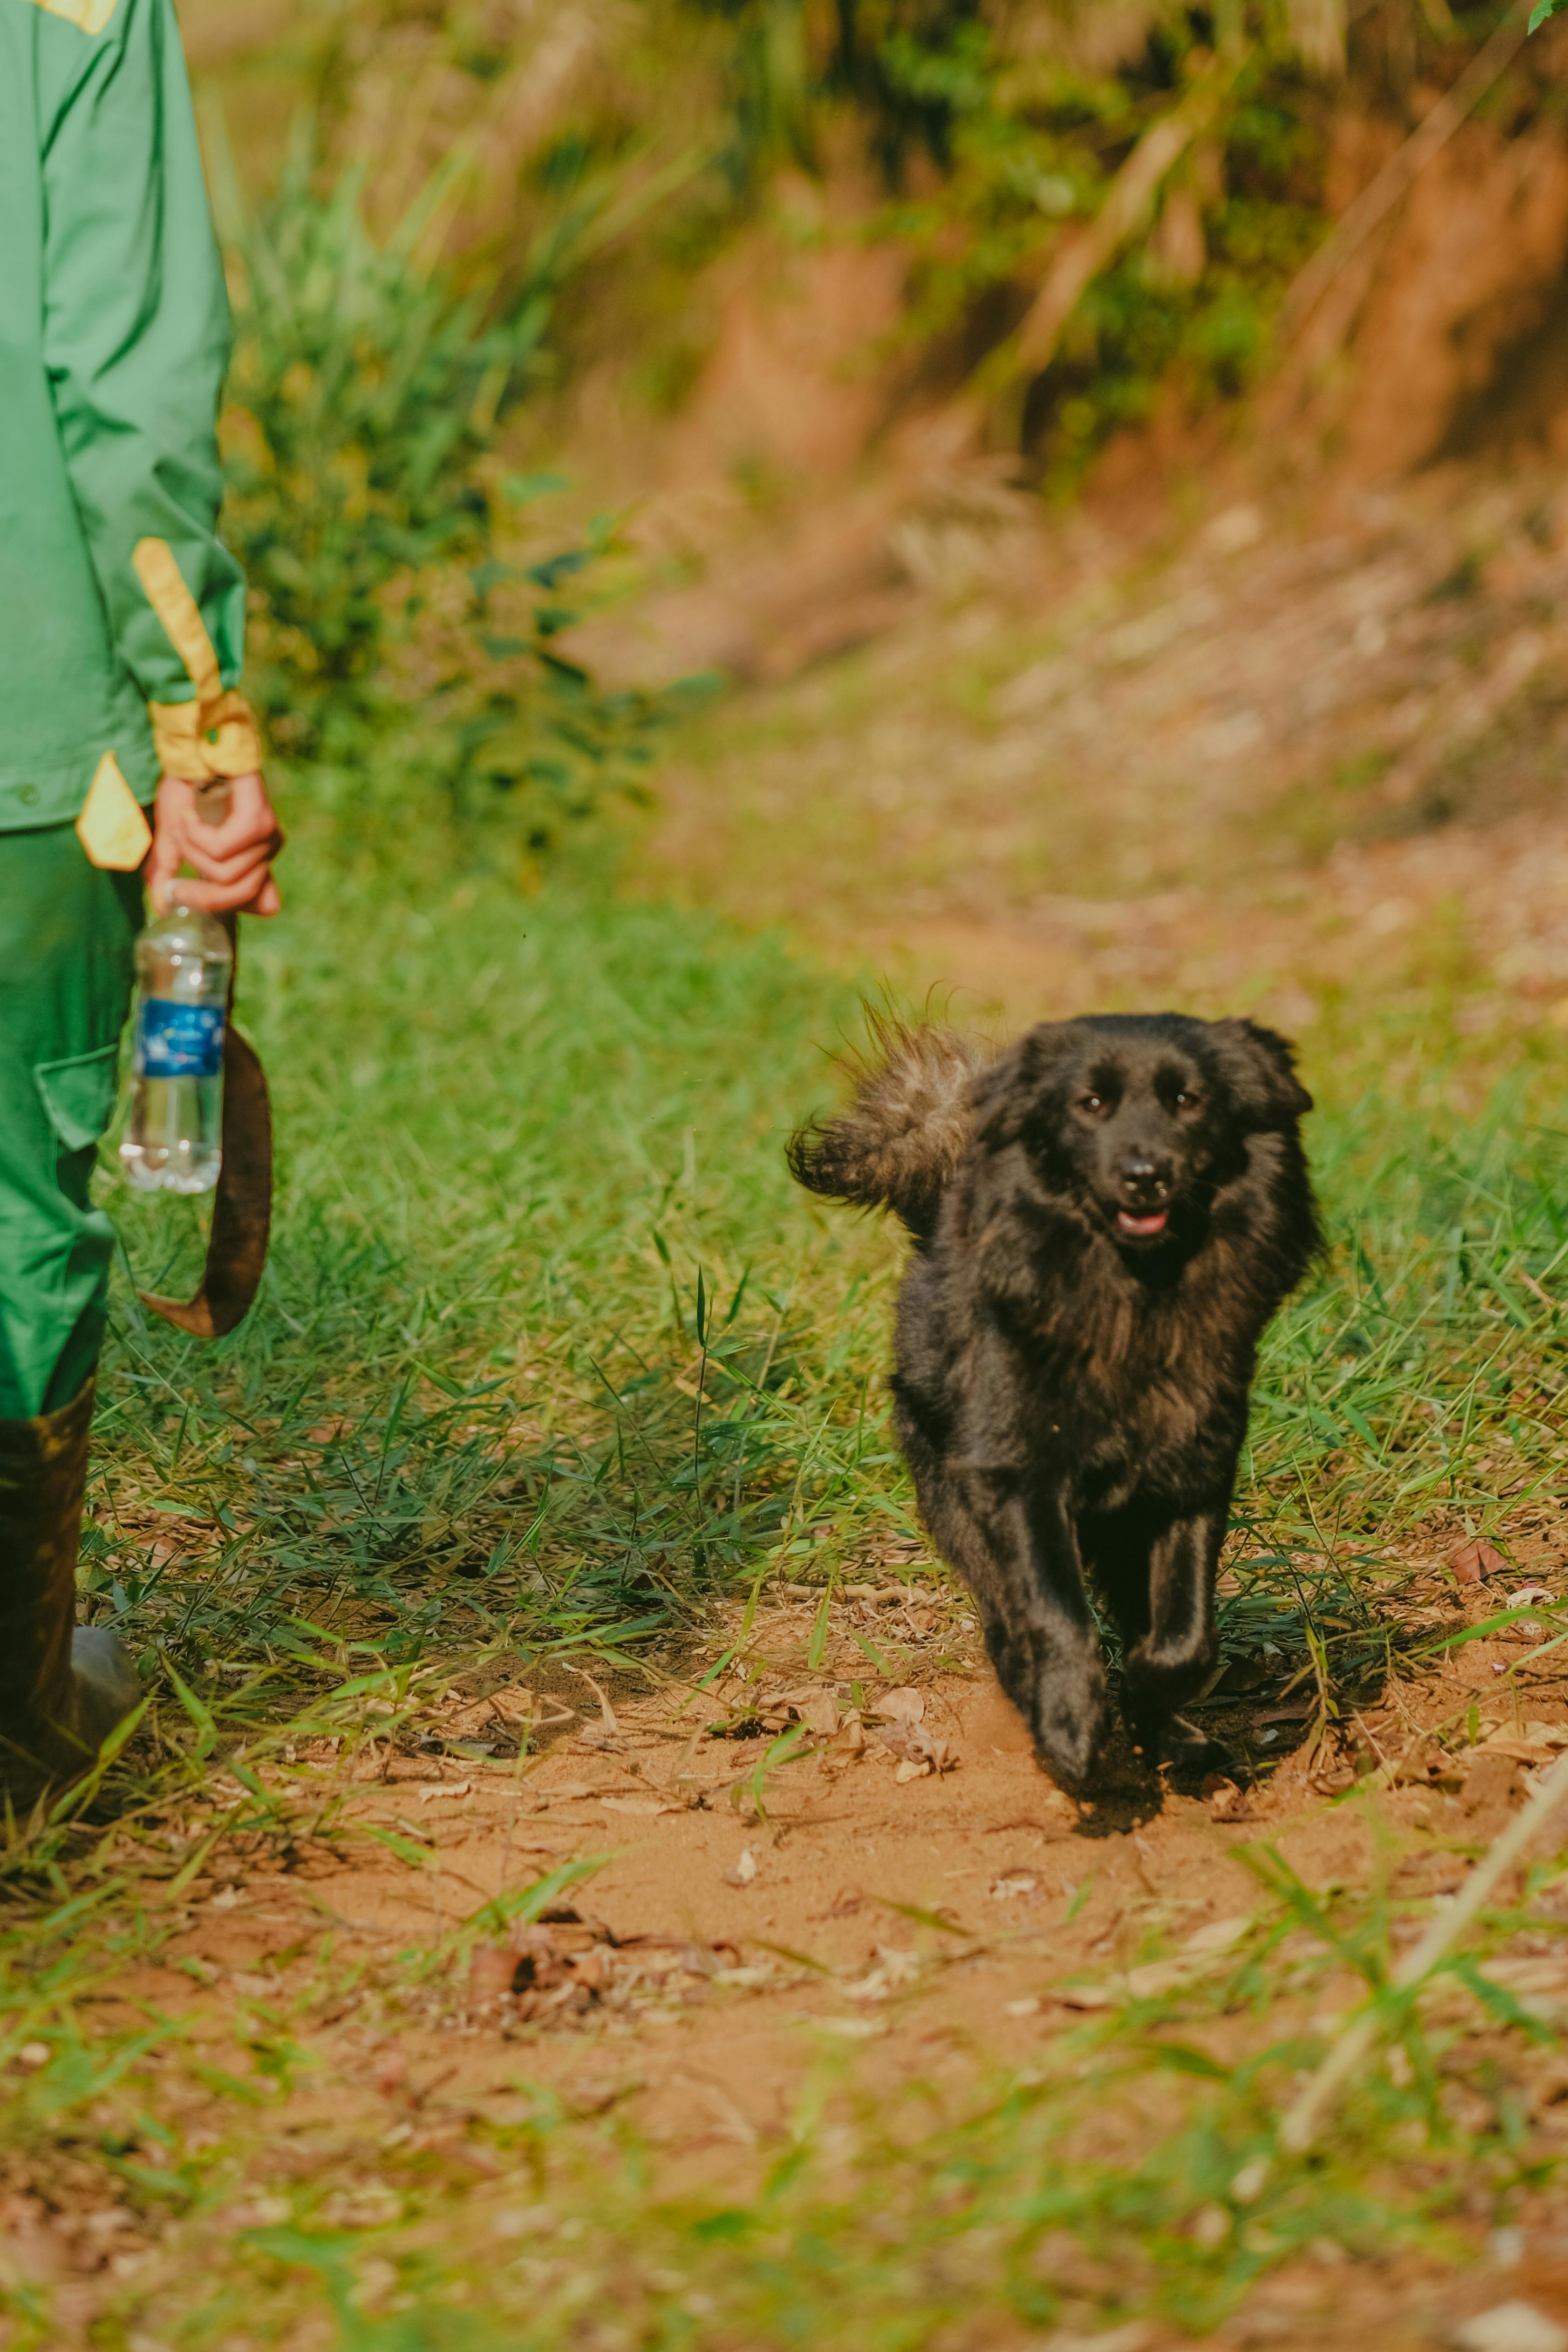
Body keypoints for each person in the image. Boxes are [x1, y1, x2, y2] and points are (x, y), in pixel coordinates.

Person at [1, 0, 282, 1799]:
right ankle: (19, 1723)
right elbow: (125, 390)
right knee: (13, 1199)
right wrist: (204, 718)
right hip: (23, 737)